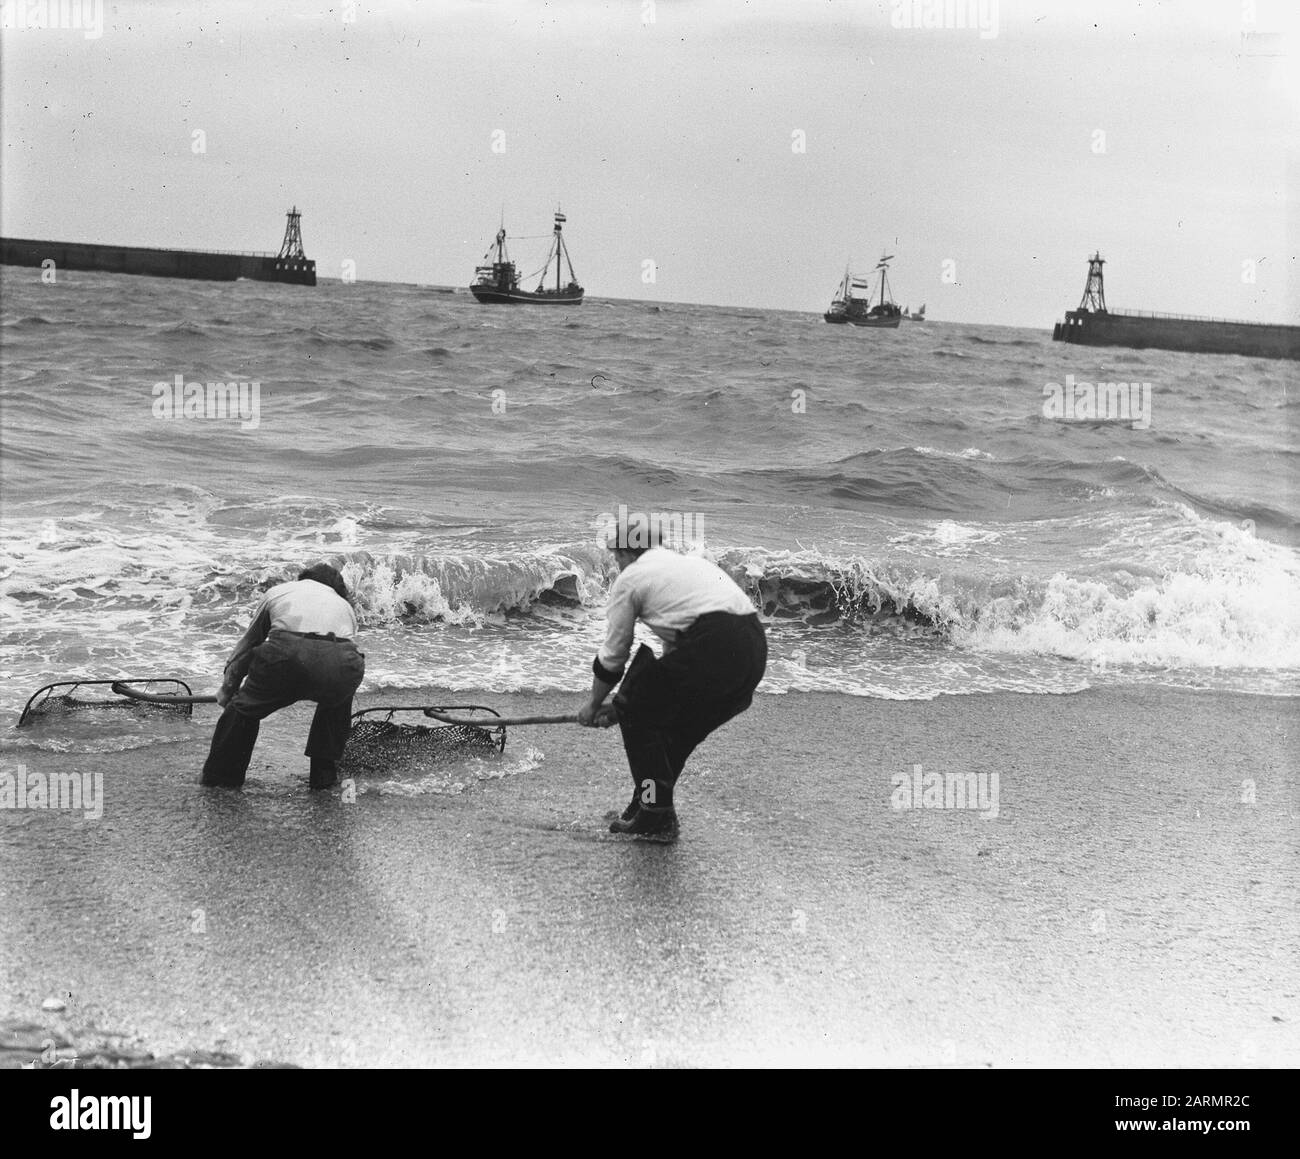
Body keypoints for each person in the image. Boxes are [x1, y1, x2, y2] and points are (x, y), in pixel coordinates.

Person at [578, 529, 767, 838]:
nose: (617, 564)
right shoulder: (689, 565)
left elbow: (613, 657)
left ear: (626, 554)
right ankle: (647, 806)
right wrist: (621, 708)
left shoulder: (632, 578)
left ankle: (655, 815)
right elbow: (676, 660)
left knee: (639, 711)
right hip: (752, 652)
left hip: (713, 646)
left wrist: (594, 705)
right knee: (673, 733)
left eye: (616, 557)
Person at [200, 563, 365, 791]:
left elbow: (248, 646)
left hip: (288, 656)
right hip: (343, 661)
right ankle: (323, 777)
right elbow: (341, 648)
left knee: (243, 711)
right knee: (336, 701)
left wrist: (228, 690)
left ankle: (221, 780)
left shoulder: (280, 592)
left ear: (303, 578)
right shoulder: (343, 605)